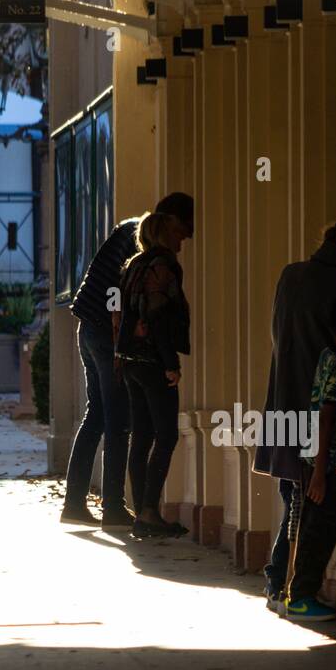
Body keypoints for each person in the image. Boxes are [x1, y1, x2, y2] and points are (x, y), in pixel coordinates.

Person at [61, 192, 195, 528]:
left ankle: (75, 503)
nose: (183, 239)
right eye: (181, 230)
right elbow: (119, 293)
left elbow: (107, 285)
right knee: (119, 420)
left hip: (89, 326)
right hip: (105, 335)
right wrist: (119, 333)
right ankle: (114, 507)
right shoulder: (142, 241)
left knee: (99, 414)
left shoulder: (130, 230)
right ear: (168, 222)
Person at [253, 220, 336, 611]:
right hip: (317, 406)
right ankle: (287, 584)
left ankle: (279, 582)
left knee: (292, 497)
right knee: (308, 503)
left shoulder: (290, 275)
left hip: (282, 398)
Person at [115, 211, 192, 539]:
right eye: (178, 230)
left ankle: (142, 513)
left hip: (130, 359)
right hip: (151, 360)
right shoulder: (164, 266)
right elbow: (158, 315)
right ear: (162, 233)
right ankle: (148, 511)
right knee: (166, 435)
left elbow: (121, 313)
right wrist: (169, 363)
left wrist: (119, 355)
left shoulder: (133, 265)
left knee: (142, 435)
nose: (183, 236)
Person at [285, 298, 336, 622]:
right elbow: (327, 417)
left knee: (312, 525)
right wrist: (321, 474)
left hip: (312, 456)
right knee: (320, 531)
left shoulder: (326, 357)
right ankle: (301, 597)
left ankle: (300, 593)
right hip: (326, 460)